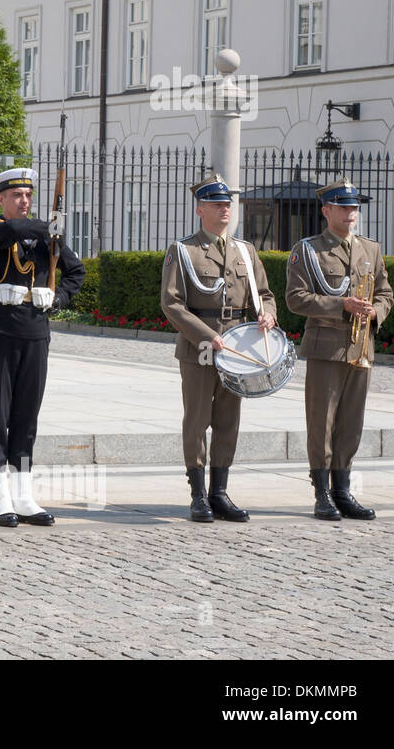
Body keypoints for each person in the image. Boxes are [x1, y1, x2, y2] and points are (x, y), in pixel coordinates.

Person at [160, 174, 278, 523]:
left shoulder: (245, 250)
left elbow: (265, 295)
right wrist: (205, 335)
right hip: (200, 348)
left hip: (238, 348)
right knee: (197, 420)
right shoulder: (183, 251)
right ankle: (198, 495)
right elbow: (172, 304)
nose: (225, 208)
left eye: (228, 203)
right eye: (216, 203)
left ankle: (219, 492)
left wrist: (268, 315)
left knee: (228, 421)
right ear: (200, 209)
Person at [0, 167, 84, 527]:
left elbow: (75, 272)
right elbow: (11, 232)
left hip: (35, 330)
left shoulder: (44, 237)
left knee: (26, 416)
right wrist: (51, 226)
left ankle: (22, 494)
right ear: (0, 199)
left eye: (27, 195)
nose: (23, 201)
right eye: (16, 196)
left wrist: (57, 298)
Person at [285, 178, 394, 521]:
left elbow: (385, 293)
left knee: (351, 423)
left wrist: (376, 312)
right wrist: (340, 305)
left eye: (354, 208)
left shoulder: (370, 249)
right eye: (344, 208)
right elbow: (295, 298)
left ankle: (343, 491)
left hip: (361, 346)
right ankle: (322, 494)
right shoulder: (309, 250)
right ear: (326, 210)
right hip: (325, 347)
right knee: (322, 422)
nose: (351, 213)